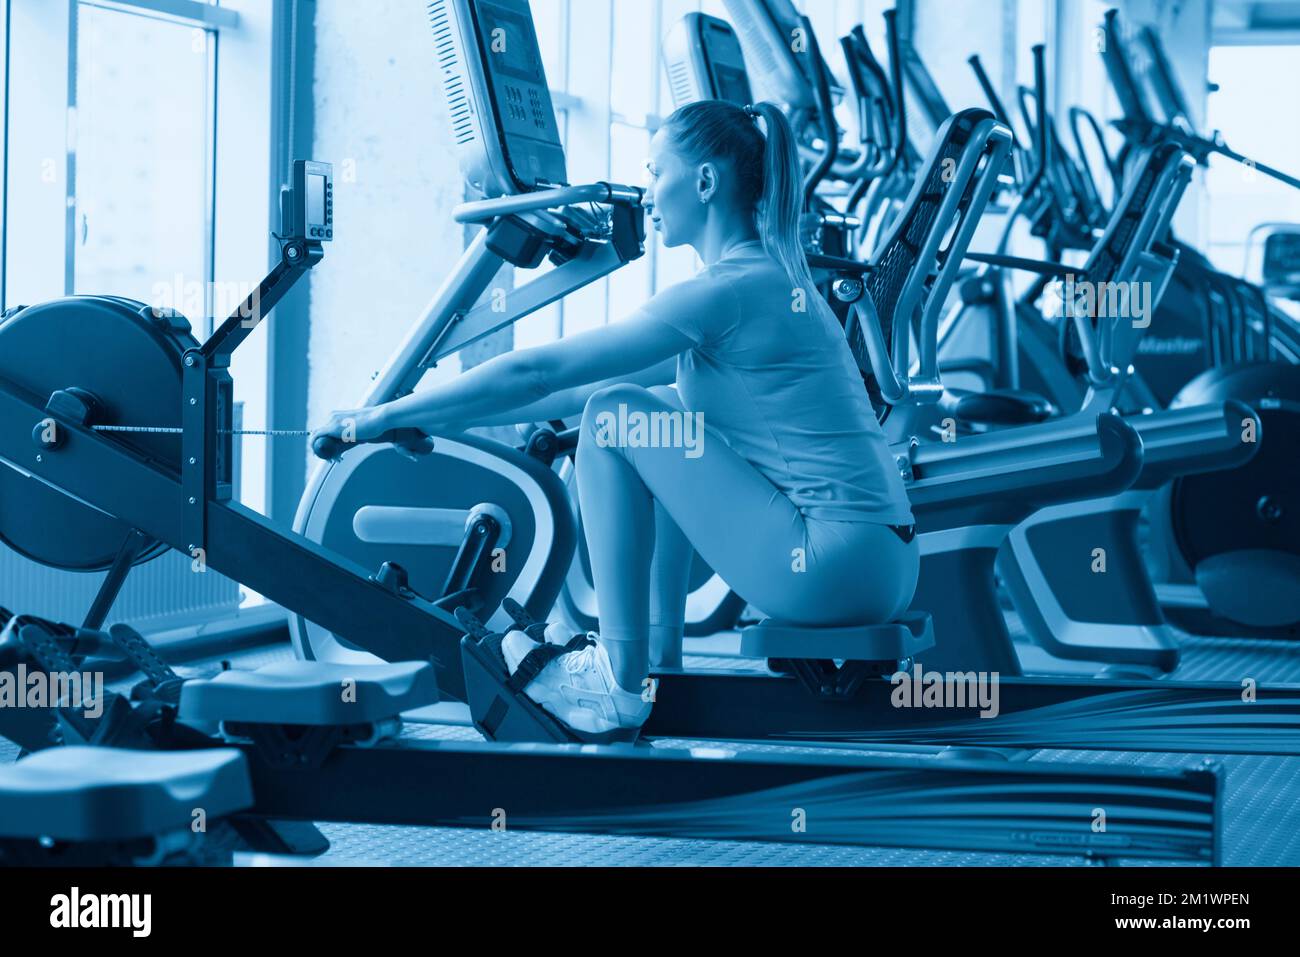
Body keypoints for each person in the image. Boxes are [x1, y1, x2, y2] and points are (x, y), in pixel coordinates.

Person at [312, 100, 919, 737]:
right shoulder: (768, 279)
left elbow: (541, 374)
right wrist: (431, 419)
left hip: (828, 565)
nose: (649, 193)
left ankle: (619, 679)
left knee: (616, 418)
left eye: (657, 172)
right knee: (658, 422)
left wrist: (378, 414)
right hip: (878, 566)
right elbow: (559, 392)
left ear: (705, 182)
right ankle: (660, 662)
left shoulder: (726, 293)